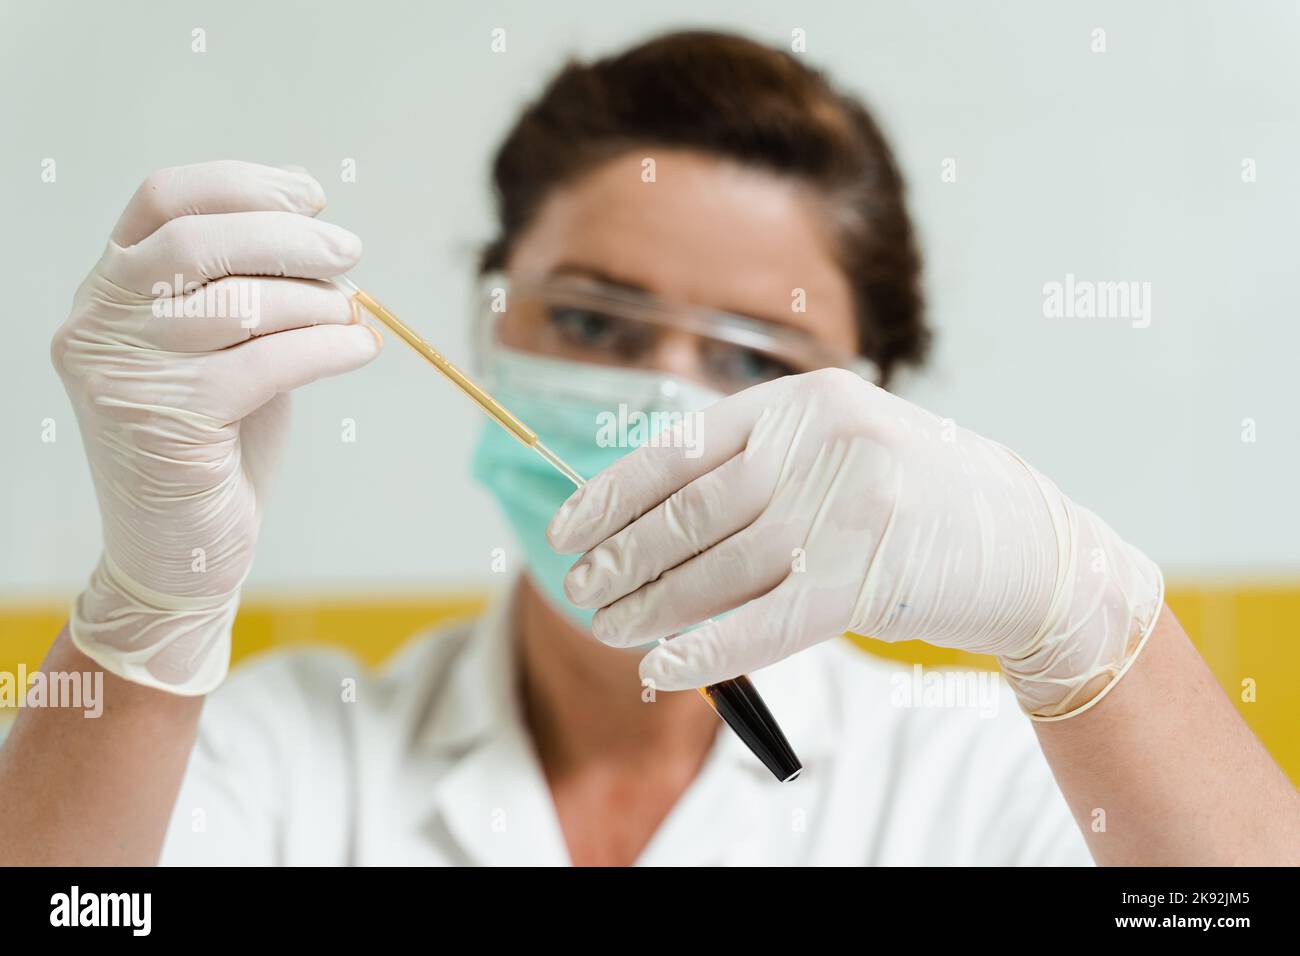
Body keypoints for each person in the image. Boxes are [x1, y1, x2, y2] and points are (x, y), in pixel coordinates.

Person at [2, 31, 1296, 866]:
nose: (659, 400)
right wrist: (152, 612)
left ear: (880, 405)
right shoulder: (281, 750)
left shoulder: (993, 777)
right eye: (590, 320)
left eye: (754, 357)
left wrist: (1082, 616)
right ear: (488, 323)